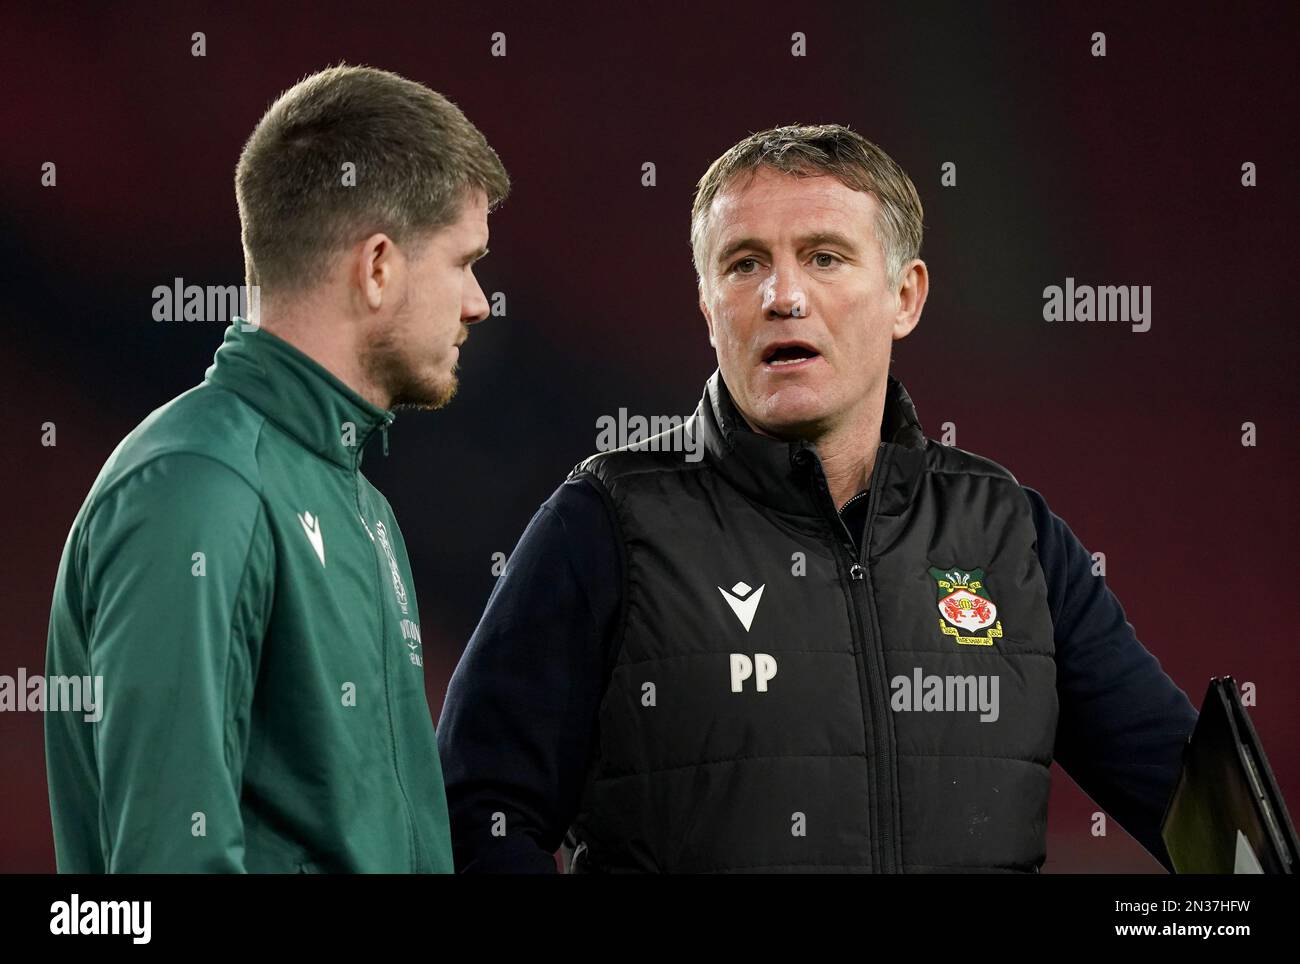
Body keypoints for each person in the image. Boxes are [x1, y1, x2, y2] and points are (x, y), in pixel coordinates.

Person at [437, 124, 1197, 873]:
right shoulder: (603, 524)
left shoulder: (1012, 537)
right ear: (708, 310)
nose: (782, 295)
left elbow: (1210, 823)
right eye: (743, 265)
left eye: (825, 257)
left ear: (906, 296)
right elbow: (478, 817)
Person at [45, 64, 509, 872]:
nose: (478, 301)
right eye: (465, 260)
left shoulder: (357, 502)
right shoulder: (198, 489)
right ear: (377, 266)